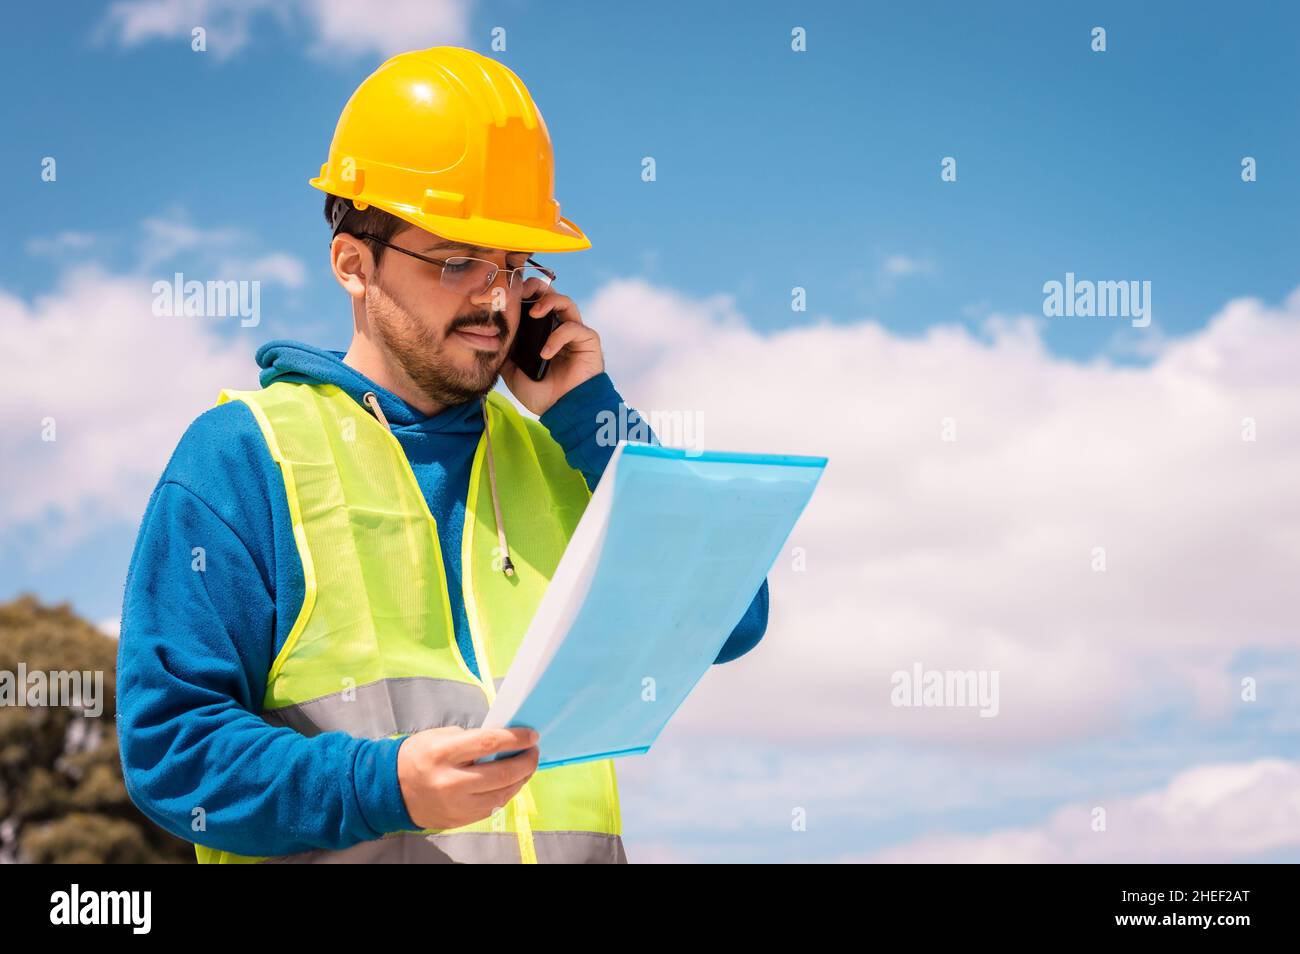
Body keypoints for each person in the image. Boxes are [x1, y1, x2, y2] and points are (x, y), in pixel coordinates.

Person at [116, 46, 770, 864]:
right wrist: (378, 787)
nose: (494, 299)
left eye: (511, 264)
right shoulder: (245, 458)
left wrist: (592, 416)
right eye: (458, 261)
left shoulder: (564, 457)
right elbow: (170, 748)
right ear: (355, 264)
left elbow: (736, 618)